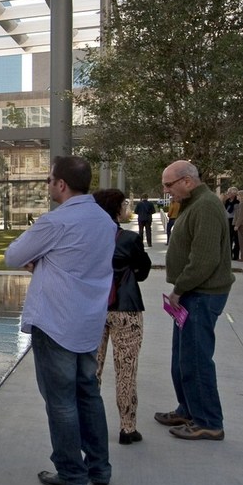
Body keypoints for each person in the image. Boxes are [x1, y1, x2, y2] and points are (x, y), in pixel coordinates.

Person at [2, 156, 113, 485]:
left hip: (55, 322)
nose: (48, 185)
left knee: (61, 400)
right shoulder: (104, 220)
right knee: (89, 394)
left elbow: (13, 256)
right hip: (86, 321)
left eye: (49, 180)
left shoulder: (56, 222)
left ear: (61, 184)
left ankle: (71, 473)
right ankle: (99, 468)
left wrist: (39, 260)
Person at [157, 160, 233, 441]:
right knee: (183, 357)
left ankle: (208, 421)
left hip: (201, 294)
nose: (166, 191)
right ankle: (188, 409)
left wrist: (179, 289)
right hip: (192, 294)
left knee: (197, 360)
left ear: (187, 181)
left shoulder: (206, 206)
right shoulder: (192, 204)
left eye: (169, 185)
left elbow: (204, 260)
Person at [92, 189, 151, 446]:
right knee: (126, 370)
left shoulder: (87, 239)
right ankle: (127, 428)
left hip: (93, 309)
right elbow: (143, 271)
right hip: (126, 309)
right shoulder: (128, 239)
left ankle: (89, 424)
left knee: (91, 369)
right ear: (116, 209)